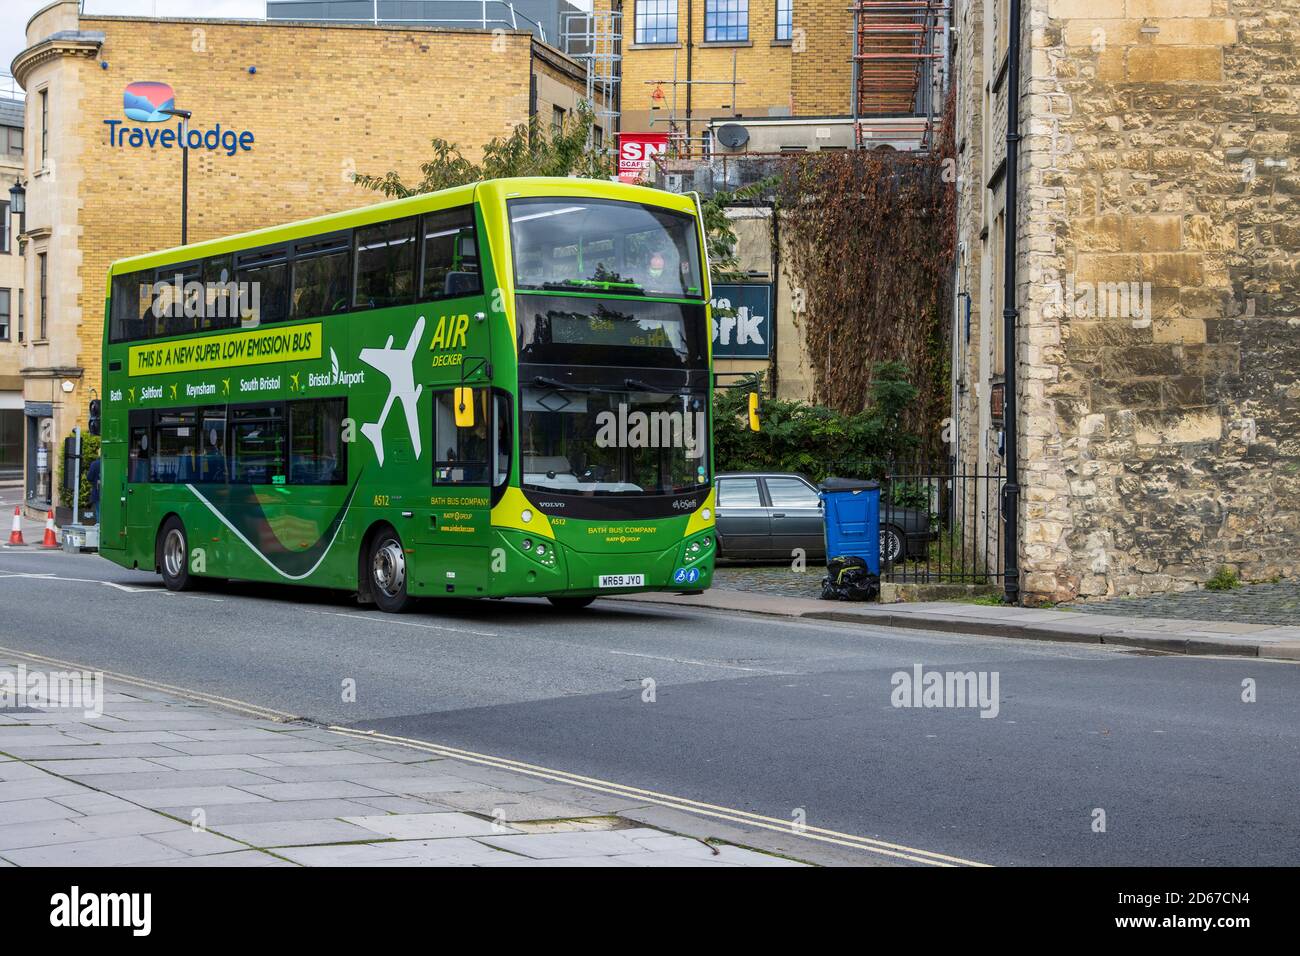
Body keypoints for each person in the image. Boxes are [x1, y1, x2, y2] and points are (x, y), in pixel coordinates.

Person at [86, 454, 101, 522]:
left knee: (98, 510)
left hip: (98, 491)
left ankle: (99, 527)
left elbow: (89, 477)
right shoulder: (112, 463)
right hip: (111, 493)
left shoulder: (94, 464)